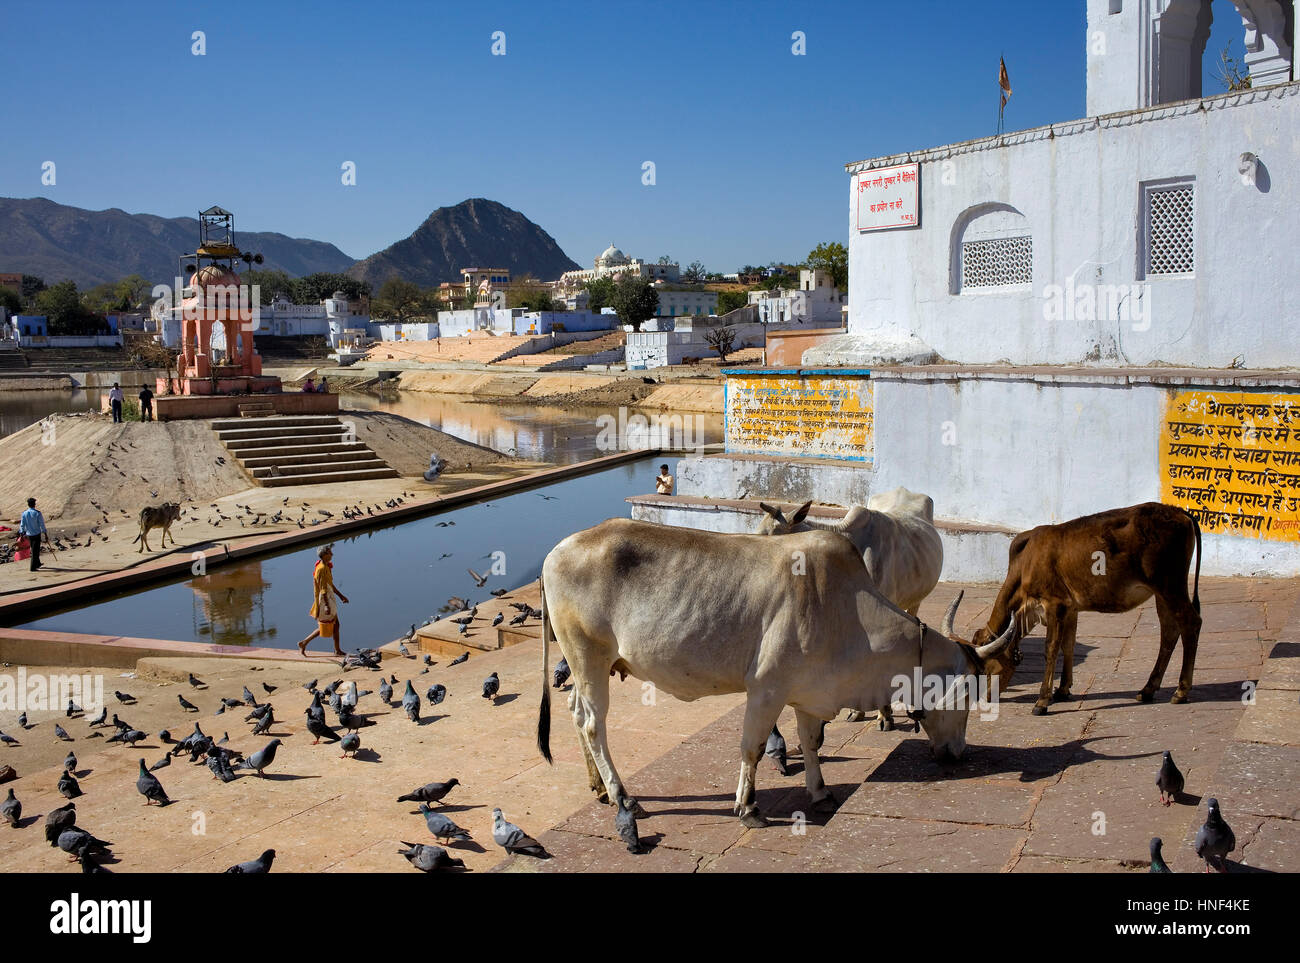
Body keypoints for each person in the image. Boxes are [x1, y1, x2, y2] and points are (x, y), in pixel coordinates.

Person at [299, 544, 349, 656]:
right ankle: (305, 642)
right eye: (330, 552)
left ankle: (336, 650)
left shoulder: (326, 566)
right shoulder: (321, 569)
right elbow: (323, 589)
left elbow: (330, 584)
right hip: (324, 600)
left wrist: (341, 596)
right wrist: (326, 605)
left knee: (334, 625)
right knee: (329, 625)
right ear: (325, 555)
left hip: (329, 598)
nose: (332, 554)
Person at [19, 497, 46, 572]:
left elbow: (22, 525)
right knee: (35, 550)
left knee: (34, 549)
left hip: (29, 535)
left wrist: (21, 534)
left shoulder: (24, 513)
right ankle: (33, 567)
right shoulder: (37, 513)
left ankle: (38, 563)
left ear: (28, 504)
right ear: (34, 504)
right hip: (36, 534)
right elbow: (42, 524)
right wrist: (45, 533)